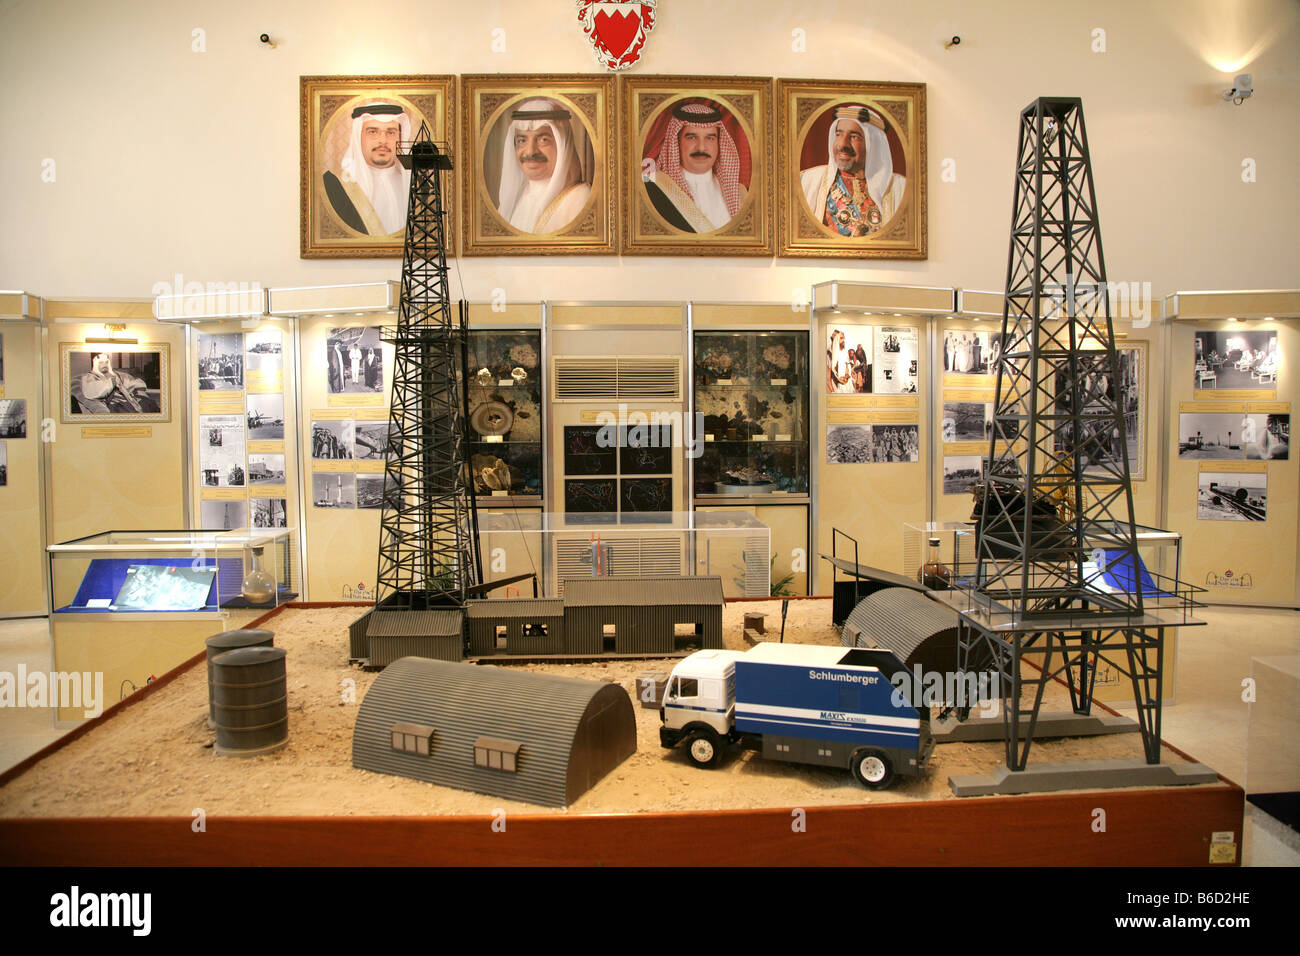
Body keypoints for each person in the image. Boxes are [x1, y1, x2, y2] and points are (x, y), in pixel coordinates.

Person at [801, 105, 906, 237]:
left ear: (873, 145)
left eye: (854, 137)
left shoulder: (899, 188)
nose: (842, 144)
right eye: (838, 134)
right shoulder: (809, 181)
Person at [642, 102, 745, 233]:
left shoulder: (739, 194)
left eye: (710, 138)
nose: (701, 147)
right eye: (691, 137)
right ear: (676, 142)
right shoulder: (653, 189)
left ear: (719, 143)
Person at [496, 98, 591, 233]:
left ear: (562, 144)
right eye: (522, 140)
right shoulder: (515, 196)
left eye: (543, 140)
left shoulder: (579, 199)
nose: (530, 151)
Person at [323, 102, 412, 236]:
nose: (383, 140)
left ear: (400, 137)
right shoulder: (335, 186)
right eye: (372, 132)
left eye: (391, 132)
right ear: (358, 137)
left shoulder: (417, 185)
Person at [71, 352, 158, 414]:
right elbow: (92, 392)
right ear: (95, 364)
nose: (104, 365)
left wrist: (132, 390)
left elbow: (134, 383)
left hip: (130, 400)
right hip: (115, 404)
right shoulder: (89, 377)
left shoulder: (116, 374)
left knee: (150, 404)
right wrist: (111, 382)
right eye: (101, 363)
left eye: (106, 362)